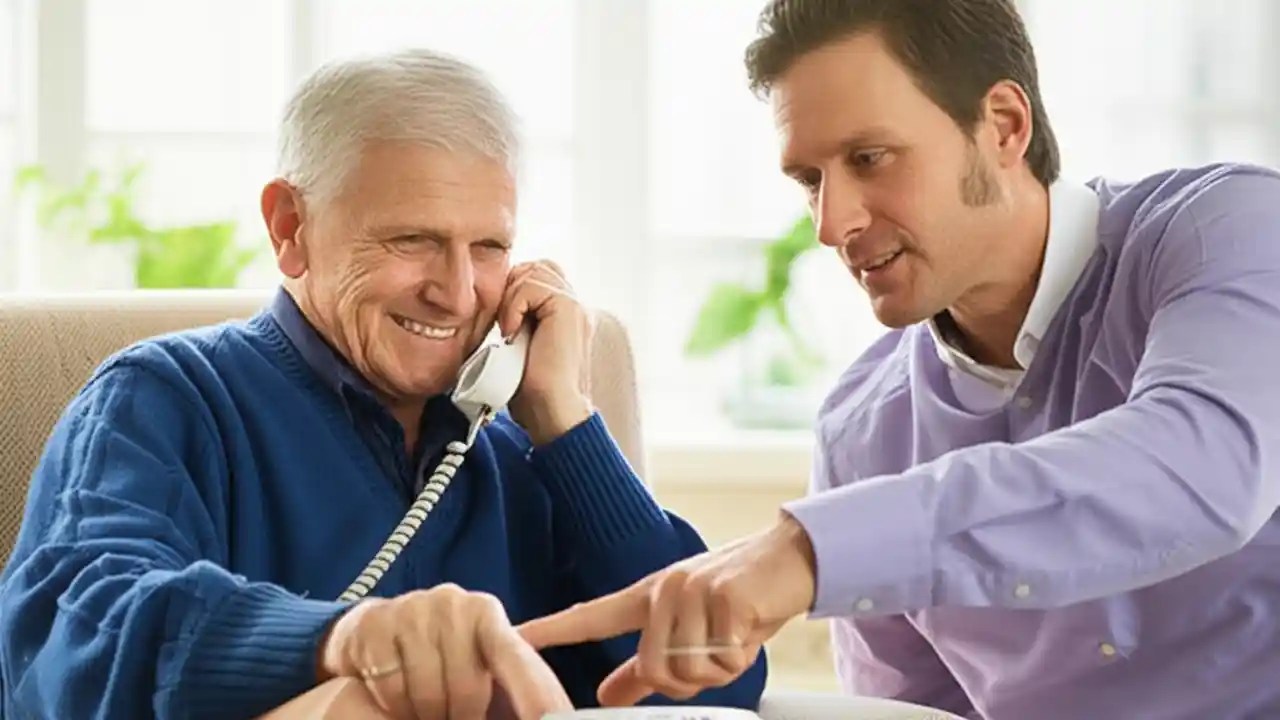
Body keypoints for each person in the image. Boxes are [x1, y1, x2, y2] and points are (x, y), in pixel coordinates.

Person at [518, 1, 1280, 718]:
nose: (832, 223)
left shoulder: (1230, 234)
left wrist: (811, 551)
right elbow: (907, 712)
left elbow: (1202, 461)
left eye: (870, 157)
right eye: (810, 180)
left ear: (1005, 126)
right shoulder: (861, 431)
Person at [0, 49, 766, 720]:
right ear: (289, 228)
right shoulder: (164, 399)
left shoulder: (517, 452)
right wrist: (343, 637)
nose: (459, 292)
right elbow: (70, 643)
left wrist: (565, 419)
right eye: (414, 240)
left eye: (490, 246)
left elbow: (718, 685)